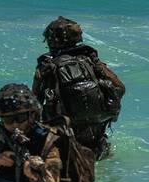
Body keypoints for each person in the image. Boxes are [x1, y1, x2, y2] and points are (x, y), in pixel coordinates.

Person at [32, 17, 125, 161]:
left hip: (67, 146)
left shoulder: (47, 66)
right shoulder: (90, 60)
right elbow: (120, 88)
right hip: (98, 142)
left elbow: (34, 106)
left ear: (52, 41)